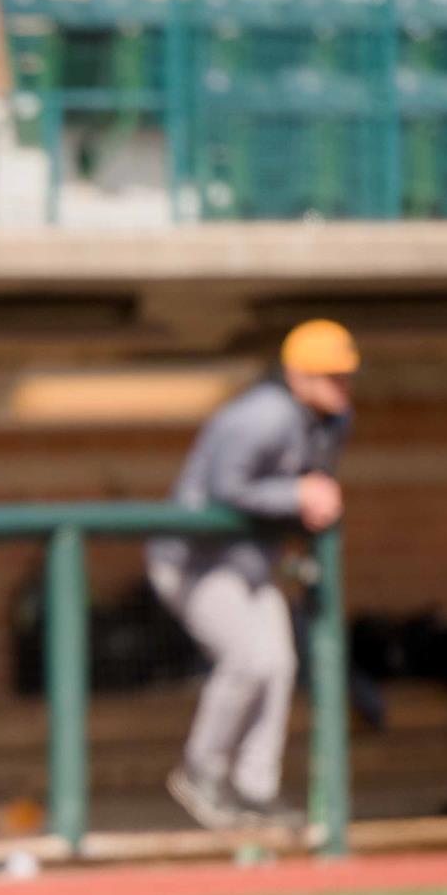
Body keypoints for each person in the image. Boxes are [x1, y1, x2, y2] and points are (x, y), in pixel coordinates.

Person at [147, 319, 357, 831]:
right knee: (253, 658)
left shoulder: (330, 421)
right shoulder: (261, 416)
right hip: (194, 560)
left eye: (346, 376)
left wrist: (308, 500)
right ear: (297, 375)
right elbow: (226, 488)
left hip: (247, 562)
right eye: (329, 376)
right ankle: (202, 770)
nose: (341, 386)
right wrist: (297, 497)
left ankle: (253, 787)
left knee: (281, 664)